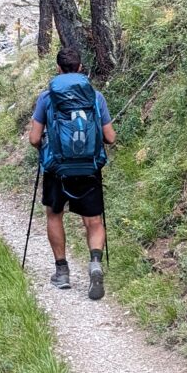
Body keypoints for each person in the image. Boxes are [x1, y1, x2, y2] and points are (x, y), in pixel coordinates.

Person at [26, 47, 116, 299]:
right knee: (93, 221)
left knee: (54, 215)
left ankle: (62, 272)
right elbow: (109, 137)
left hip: (57, 168)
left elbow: (34, 138)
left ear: (58, 69)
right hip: (89, 167)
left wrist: (44, 144)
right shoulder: (95, 97)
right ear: (80, 68)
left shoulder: (47, 98)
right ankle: (95, 263)